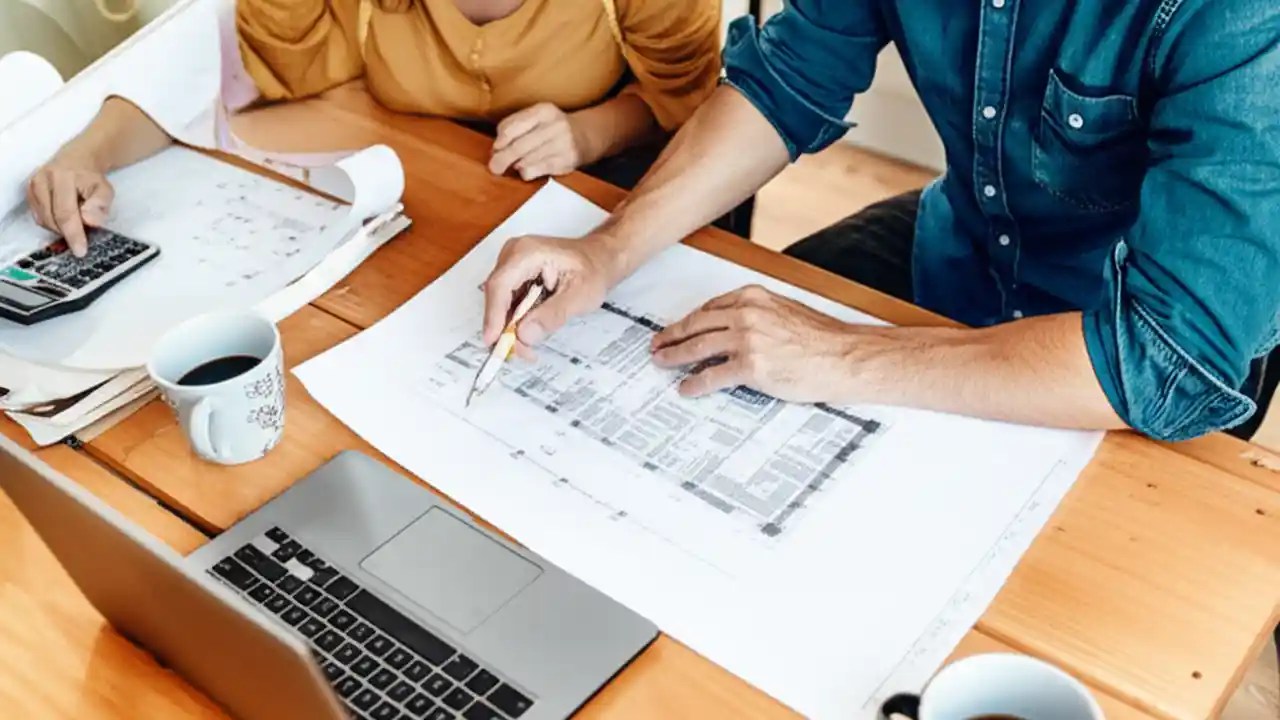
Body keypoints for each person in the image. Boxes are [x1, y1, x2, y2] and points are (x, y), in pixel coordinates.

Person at [482, 1, 1280, 442]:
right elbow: (789, 80)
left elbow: (1165, 358)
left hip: (1111, 351)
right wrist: (608, 248)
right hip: (959, 250)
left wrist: (842, 355)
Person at [28, 0, 724, 257]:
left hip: (598, 201)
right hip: (424, 208)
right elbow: (206, 75)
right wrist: (85, 152)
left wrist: (590, 133)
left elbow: (690, 101)